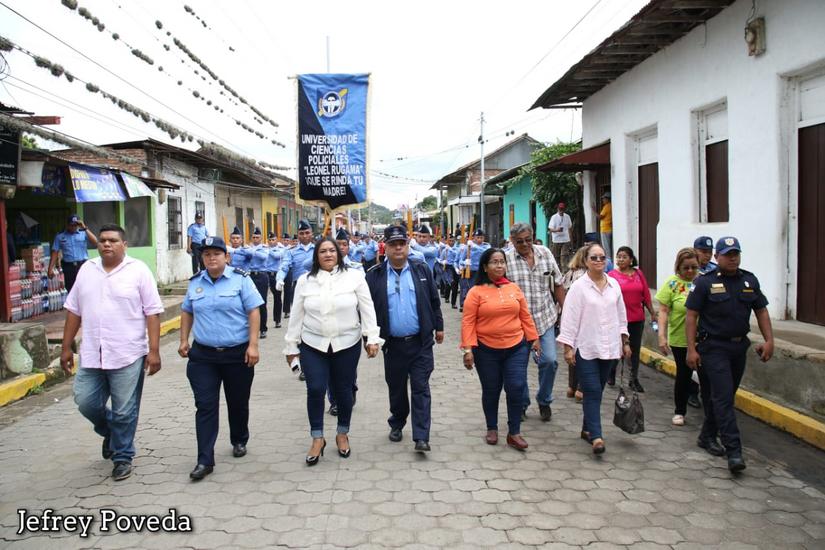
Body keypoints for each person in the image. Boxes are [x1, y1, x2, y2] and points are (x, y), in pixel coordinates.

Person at [60, 223, 163, 481]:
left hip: (127, 353)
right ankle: (111, 432)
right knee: (85, 401)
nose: (106, 244)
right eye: (103, 240)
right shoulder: (87, 270)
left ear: (124, 245)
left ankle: (122, 457)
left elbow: (152, 312)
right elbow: (74, 310)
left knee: (125, 410)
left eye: (113, 240)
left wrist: (154, 351)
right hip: (92, 353)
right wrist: (65, 348)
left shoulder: (138, 271)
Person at [284, 237, 383, 465]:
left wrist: (372, 338)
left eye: (332, 250)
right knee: (316, 388)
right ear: (316, 256)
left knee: (343, 390)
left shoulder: (355, 277)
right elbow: (296, 314)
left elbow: (367, 308)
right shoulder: (305, 281)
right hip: (313, 343)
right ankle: (317, 438)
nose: (328, 254)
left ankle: (342, 433)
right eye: (322, 251)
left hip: (346, 343)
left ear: (338, 253)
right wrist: (291, 346)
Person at [686, 237, 774, 473]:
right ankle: (734, 451)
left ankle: (706, 435)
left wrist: (769, 340)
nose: (733, 258)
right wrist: (692, 349)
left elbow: (761, 311)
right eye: (727, 254)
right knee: (723, 398)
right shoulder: (705, 283)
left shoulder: (749, 280)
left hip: (738, 348)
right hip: (713, 347)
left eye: (736, 253)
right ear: (717, 257)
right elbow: (691, 316)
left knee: (723, 396)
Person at [178, 237, 263, 481]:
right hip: (203, 356)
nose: (211, 258)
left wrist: (253, 345)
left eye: (217, 253)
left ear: (227, 257)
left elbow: (253, 311)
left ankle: (239, 438)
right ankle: (205, 459)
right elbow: (186, 311)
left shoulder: (240, 280)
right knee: (205, 405)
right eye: (206, 255)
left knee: (237, 402)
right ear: (202, 258)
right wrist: (184, 340)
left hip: (237, 353)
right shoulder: (195, 283)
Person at [366, 225, 444, 452]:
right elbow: (368, 310)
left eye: (402, 243)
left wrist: (439, 326)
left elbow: (434, 300)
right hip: (392, 344)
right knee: (397, 388)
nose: (398, 248)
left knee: (421, 387)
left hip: (420, 342)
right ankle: (397, 422)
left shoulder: (421, 270)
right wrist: (369, 339)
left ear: (408, 246)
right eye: (393, 244)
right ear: (386, 248)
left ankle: (421, 436)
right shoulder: (375, 275)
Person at [461, 248, 540, 450]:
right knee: (491, 389)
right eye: (495, 262)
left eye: (502, 262)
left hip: (516, 347)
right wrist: (468, 349)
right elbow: (468, 322)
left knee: (516, 387)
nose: (499, 265)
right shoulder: (475, 292)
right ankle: (492, 427)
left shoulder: (513, 288)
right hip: (486, 350)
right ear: (485, 267)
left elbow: (525, 316)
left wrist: (534, 338)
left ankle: (514, 432)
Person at [558, 243, 631, 455]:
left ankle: (586, 428)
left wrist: (625, 341)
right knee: (591, 390)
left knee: (596, 391)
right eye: (594, 258)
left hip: (609, 348)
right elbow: (569, 318)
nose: (599, 261)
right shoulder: (579, 287)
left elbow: (621, 315)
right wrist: (568, 348)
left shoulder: (614, 285)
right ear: (586, 261)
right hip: (586, 347)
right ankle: (597, 436)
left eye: (602, 257)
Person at [505, 223, 566, 422]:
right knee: (518, 367)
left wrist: (565, 311)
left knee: (549, 360)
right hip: (517, 323)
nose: (524, 244)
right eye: (519, 241)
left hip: (545, 317)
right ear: (512, 240)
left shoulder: (545, 253)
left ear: (533, 237)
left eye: (528, 240)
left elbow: (558, 283)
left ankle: (544, 399)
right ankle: (521, 403)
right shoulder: (505, 259)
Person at [656, 248, 701, 427]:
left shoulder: (703, 282)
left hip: (703, 338)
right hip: (680, 339)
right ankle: (680, 410)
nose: (690, 272)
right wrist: (661, 335)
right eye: (686, 268)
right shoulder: (672, 284)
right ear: (678, 267)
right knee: (684, 374)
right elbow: (664, 311)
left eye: (693, 267)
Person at [608, 246, 655, 391]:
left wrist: (652, 312)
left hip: (637, 318)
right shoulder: (611, 275)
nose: (620, 259)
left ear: (631, 259)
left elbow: (646, 294)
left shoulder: (638, 274)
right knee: (618, 348)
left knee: (634, 349)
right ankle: (611, 373)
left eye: (624, 257)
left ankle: (633, 379)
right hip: (618, 319)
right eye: (619, 256)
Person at [561, 246, 589, 402]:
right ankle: (581, 389)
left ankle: (571, 387)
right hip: (583, 318)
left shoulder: (569, 273)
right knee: (585, 353)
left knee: (573, 351)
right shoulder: (586, 276)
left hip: (569, 317)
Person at [48, 214, 98, 292]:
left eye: (76, 225)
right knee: (71, 289)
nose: (74, 227)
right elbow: (55, 252)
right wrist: (50, 268)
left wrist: (84, 227)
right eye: (71, 225)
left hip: (83, 265)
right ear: (67, 225)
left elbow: (96, 243)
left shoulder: (83, 233)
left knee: (85, 288)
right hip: (68, 267)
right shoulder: (60, 236)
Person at [276, 219, 315, 317]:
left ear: (312, 234)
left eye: (307, 233)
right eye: (301, 233)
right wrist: (279, 279)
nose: (305, 236)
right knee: (298, 317)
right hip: (299, 286)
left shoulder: (318, 249)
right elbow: (284, 266)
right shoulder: (291, 251)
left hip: (316, 284)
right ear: (298, 235)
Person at [456, 229, 491, 312]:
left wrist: (475, 247)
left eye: (481, 237)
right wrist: (465, 262)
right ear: (474, 238)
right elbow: (461, 260)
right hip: (471, 273)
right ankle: (469, 307)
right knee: (469, 290)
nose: (479, 239)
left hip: (482, 272)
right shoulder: (468, 247)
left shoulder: (486, 246)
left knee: (483, 290)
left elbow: (487, 253)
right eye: (477, 237)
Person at [247, 228, 270, 339]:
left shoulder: (264, 248)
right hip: (250, 275)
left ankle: (263, 329)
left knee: (262, 303)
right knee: (250, 303)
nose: (255, 239)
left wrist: (253, 251)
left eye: (257, 237)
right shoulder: (248, 248)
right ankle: (251, 328)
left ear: (261, 238)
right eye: (254, 237)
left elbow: (263, 257)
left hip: (261, 276)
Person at [265, 232, 284, 329]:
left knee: (277, 298)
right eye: (270, 240)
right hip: (265, 274)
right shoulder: (264, 249)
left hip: (275, 275)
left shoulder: (280, 249)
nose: (271, 242)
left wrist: (269, 250)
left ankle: (277, 320)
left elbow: (277, 256)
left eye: (273, 240)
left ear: (276, 240)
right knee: (263, 299)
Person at [548, 202, 573, 271]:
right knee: (556, 256)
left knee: (564, 255)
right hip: (556, 240)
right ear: (557, 209)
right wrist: (557, 230)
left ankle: (564, 271)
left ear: (564, 209)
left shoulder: (567, 217)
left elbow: (570, 228)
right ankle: (557, 271)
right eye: (560, 208)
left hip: (566, 240)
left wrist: (571, 239)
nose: (561, 210)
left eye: (562, 209)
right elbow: (550, 229)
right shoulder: (554, 217)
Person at [594, 193, 613, 258]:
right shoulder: (610, 206)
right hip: (609, 228)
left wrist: (594, 211)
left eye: (604, 199)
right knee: (608, 246)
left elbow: (600, 217)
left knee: (606, 247)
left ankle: (608, 261)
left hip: (605, 229)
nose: (603, 200)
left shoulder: (607, 206)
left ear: (607, 199)